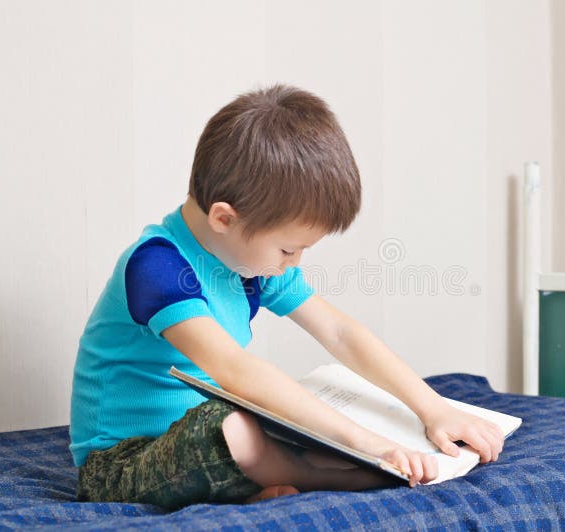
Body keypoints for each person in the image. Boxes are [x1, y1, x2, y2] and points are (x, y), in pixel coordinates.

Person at [70, 84, 504, 510]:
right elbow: (234, 369)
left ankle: (270, 472)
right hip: (123, 463)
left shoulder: (249, 262)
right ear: (224, 218)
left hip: (205, 440)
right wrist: (364, 443)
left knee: (280, 410)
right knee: (230, 428)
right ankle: (338, 473)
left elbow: (339, 332)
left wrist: (432, 409)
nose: (292, 264)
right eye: (287, 249)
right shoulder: (157, 266)